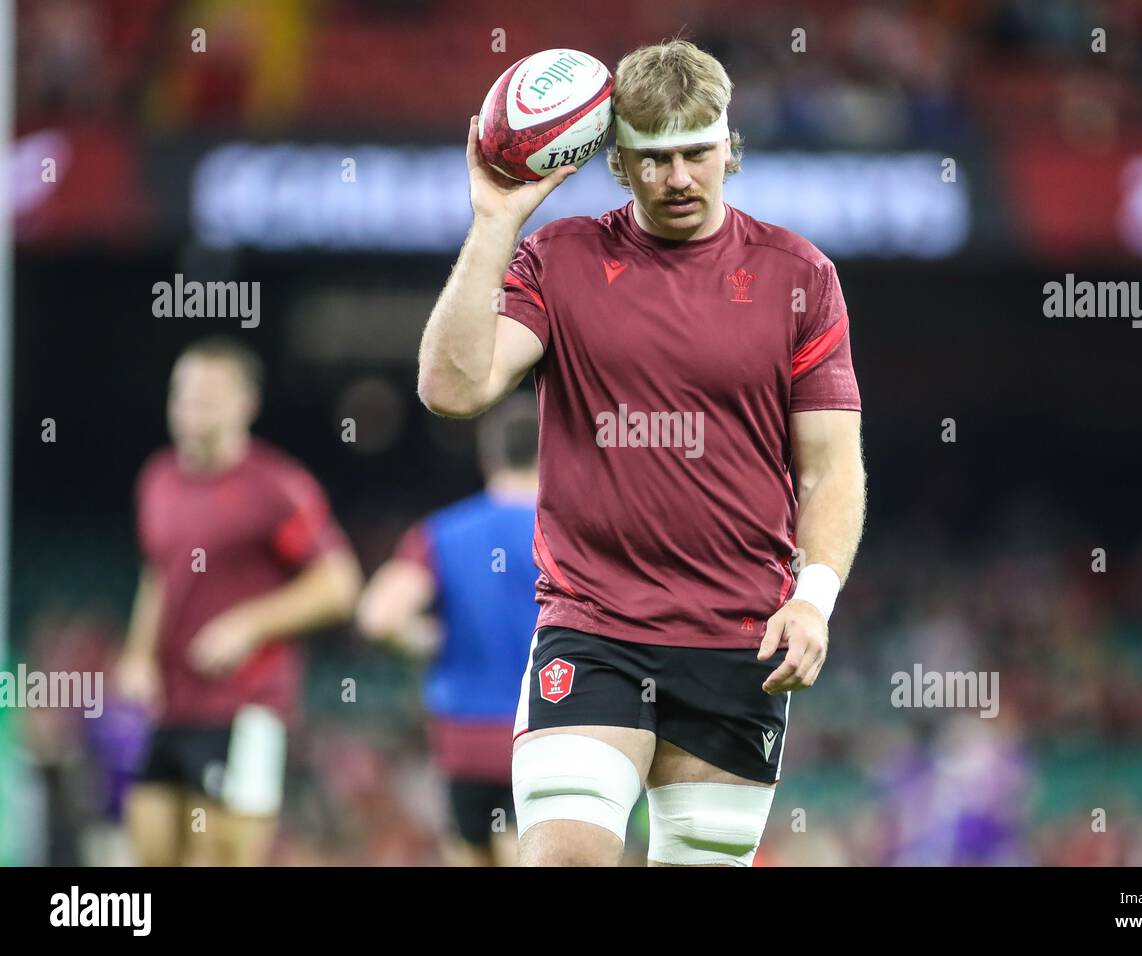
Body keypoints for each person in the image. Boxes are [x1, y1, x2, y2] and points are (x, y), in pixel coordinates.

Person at [417, 39, 866, 867]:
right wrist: (494, 220)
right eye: (653, 159)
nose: (679, 178)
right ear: (618, 162)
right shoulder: (559, 260)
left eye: (698, 153)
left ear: (730, 146)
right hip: (593, 630)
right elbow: (452, 388)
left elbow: (831, 467)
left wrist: (815, 599)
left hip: (741, 641)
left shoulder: (801, 275)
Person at [117, 337, 362, 866]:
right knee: (149, 852)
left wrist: (249, 624)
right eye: (182, 394)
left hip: (248, 709)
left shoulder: (276, 486)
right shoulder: (158, 480)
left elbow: (340, 583)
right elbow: (158, 574)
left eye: (206, 396)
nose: (189, 408)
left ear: (244, 405)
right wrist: (137, 655)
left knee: (223, 857)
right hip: (170, 706)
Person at [357, 393, 540, 866]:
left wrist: (429, 640)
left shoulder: (442, 533)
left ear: (487, 457)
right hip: (546, 735)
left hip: (464, 744)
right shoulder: (574, 533)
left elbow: (378, 618)